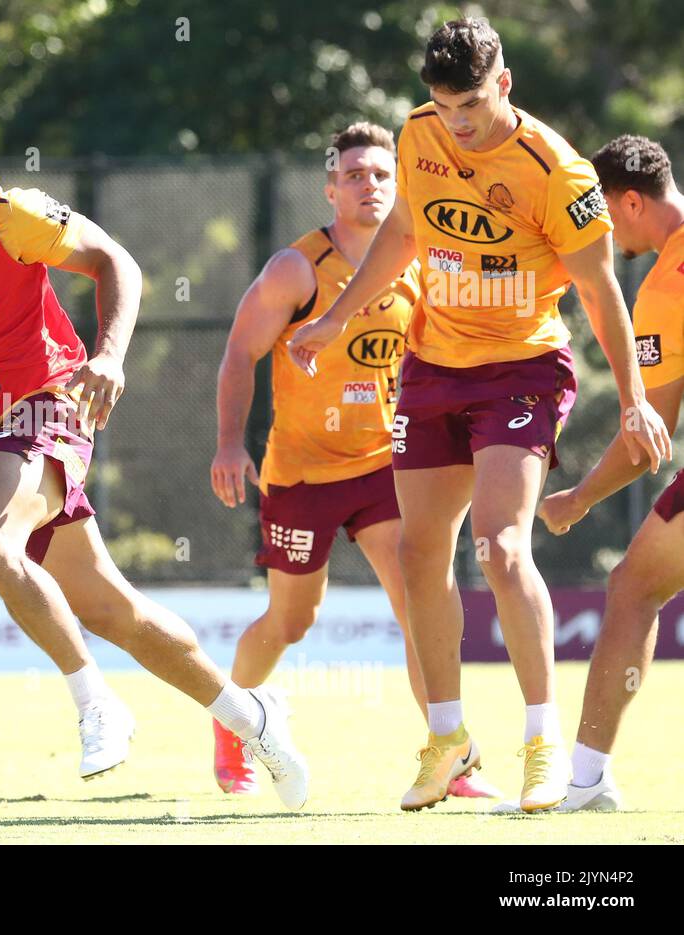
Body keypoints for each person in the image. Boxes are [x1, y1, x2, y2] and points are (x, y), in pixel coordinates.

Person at [0, 86, 309, 808]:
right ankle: (252, 717)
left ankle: (95, 700)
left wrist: (109, 355)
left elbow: (116, 263)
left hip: (45, 404)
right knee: (110, 609)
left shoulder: (8, 214)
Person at [288, 18, 670, 812]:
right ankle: (447, 739)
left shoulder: (558, 173)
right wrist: (337, 320)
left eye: (469, 103)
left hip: (521, 371)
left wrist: (633, 399)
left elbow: (601, 294)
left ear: (504, 83)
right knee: (421, 557)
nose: (456, 122)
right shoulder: (419, 135)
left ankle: (543, 743)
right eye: (442, 103)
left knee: (500, 546)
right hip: (431, 368)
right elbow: (402, 232)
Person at [211, 122, 497, 799]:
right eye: (356, 175)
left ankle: (447, 754)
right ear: (331, 189)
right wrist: (229, 442)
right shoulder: (296, 268)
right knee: (291, 620)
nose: (370, 185)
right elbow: (238, 353)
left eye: (381, 174)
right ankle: (234, 718)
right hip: (303, 472)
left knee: (415, 602)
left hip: (386, 466)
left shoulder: (425, 261)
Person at [538, 135, 684, 811]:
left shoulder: (661, 288)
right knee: (635, 583)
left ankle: (589, 780)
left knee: (631, 588)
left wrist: (578, 497)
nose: (595, 227)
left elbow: (646, 437)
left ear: (631, 201)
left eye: (599, 211)